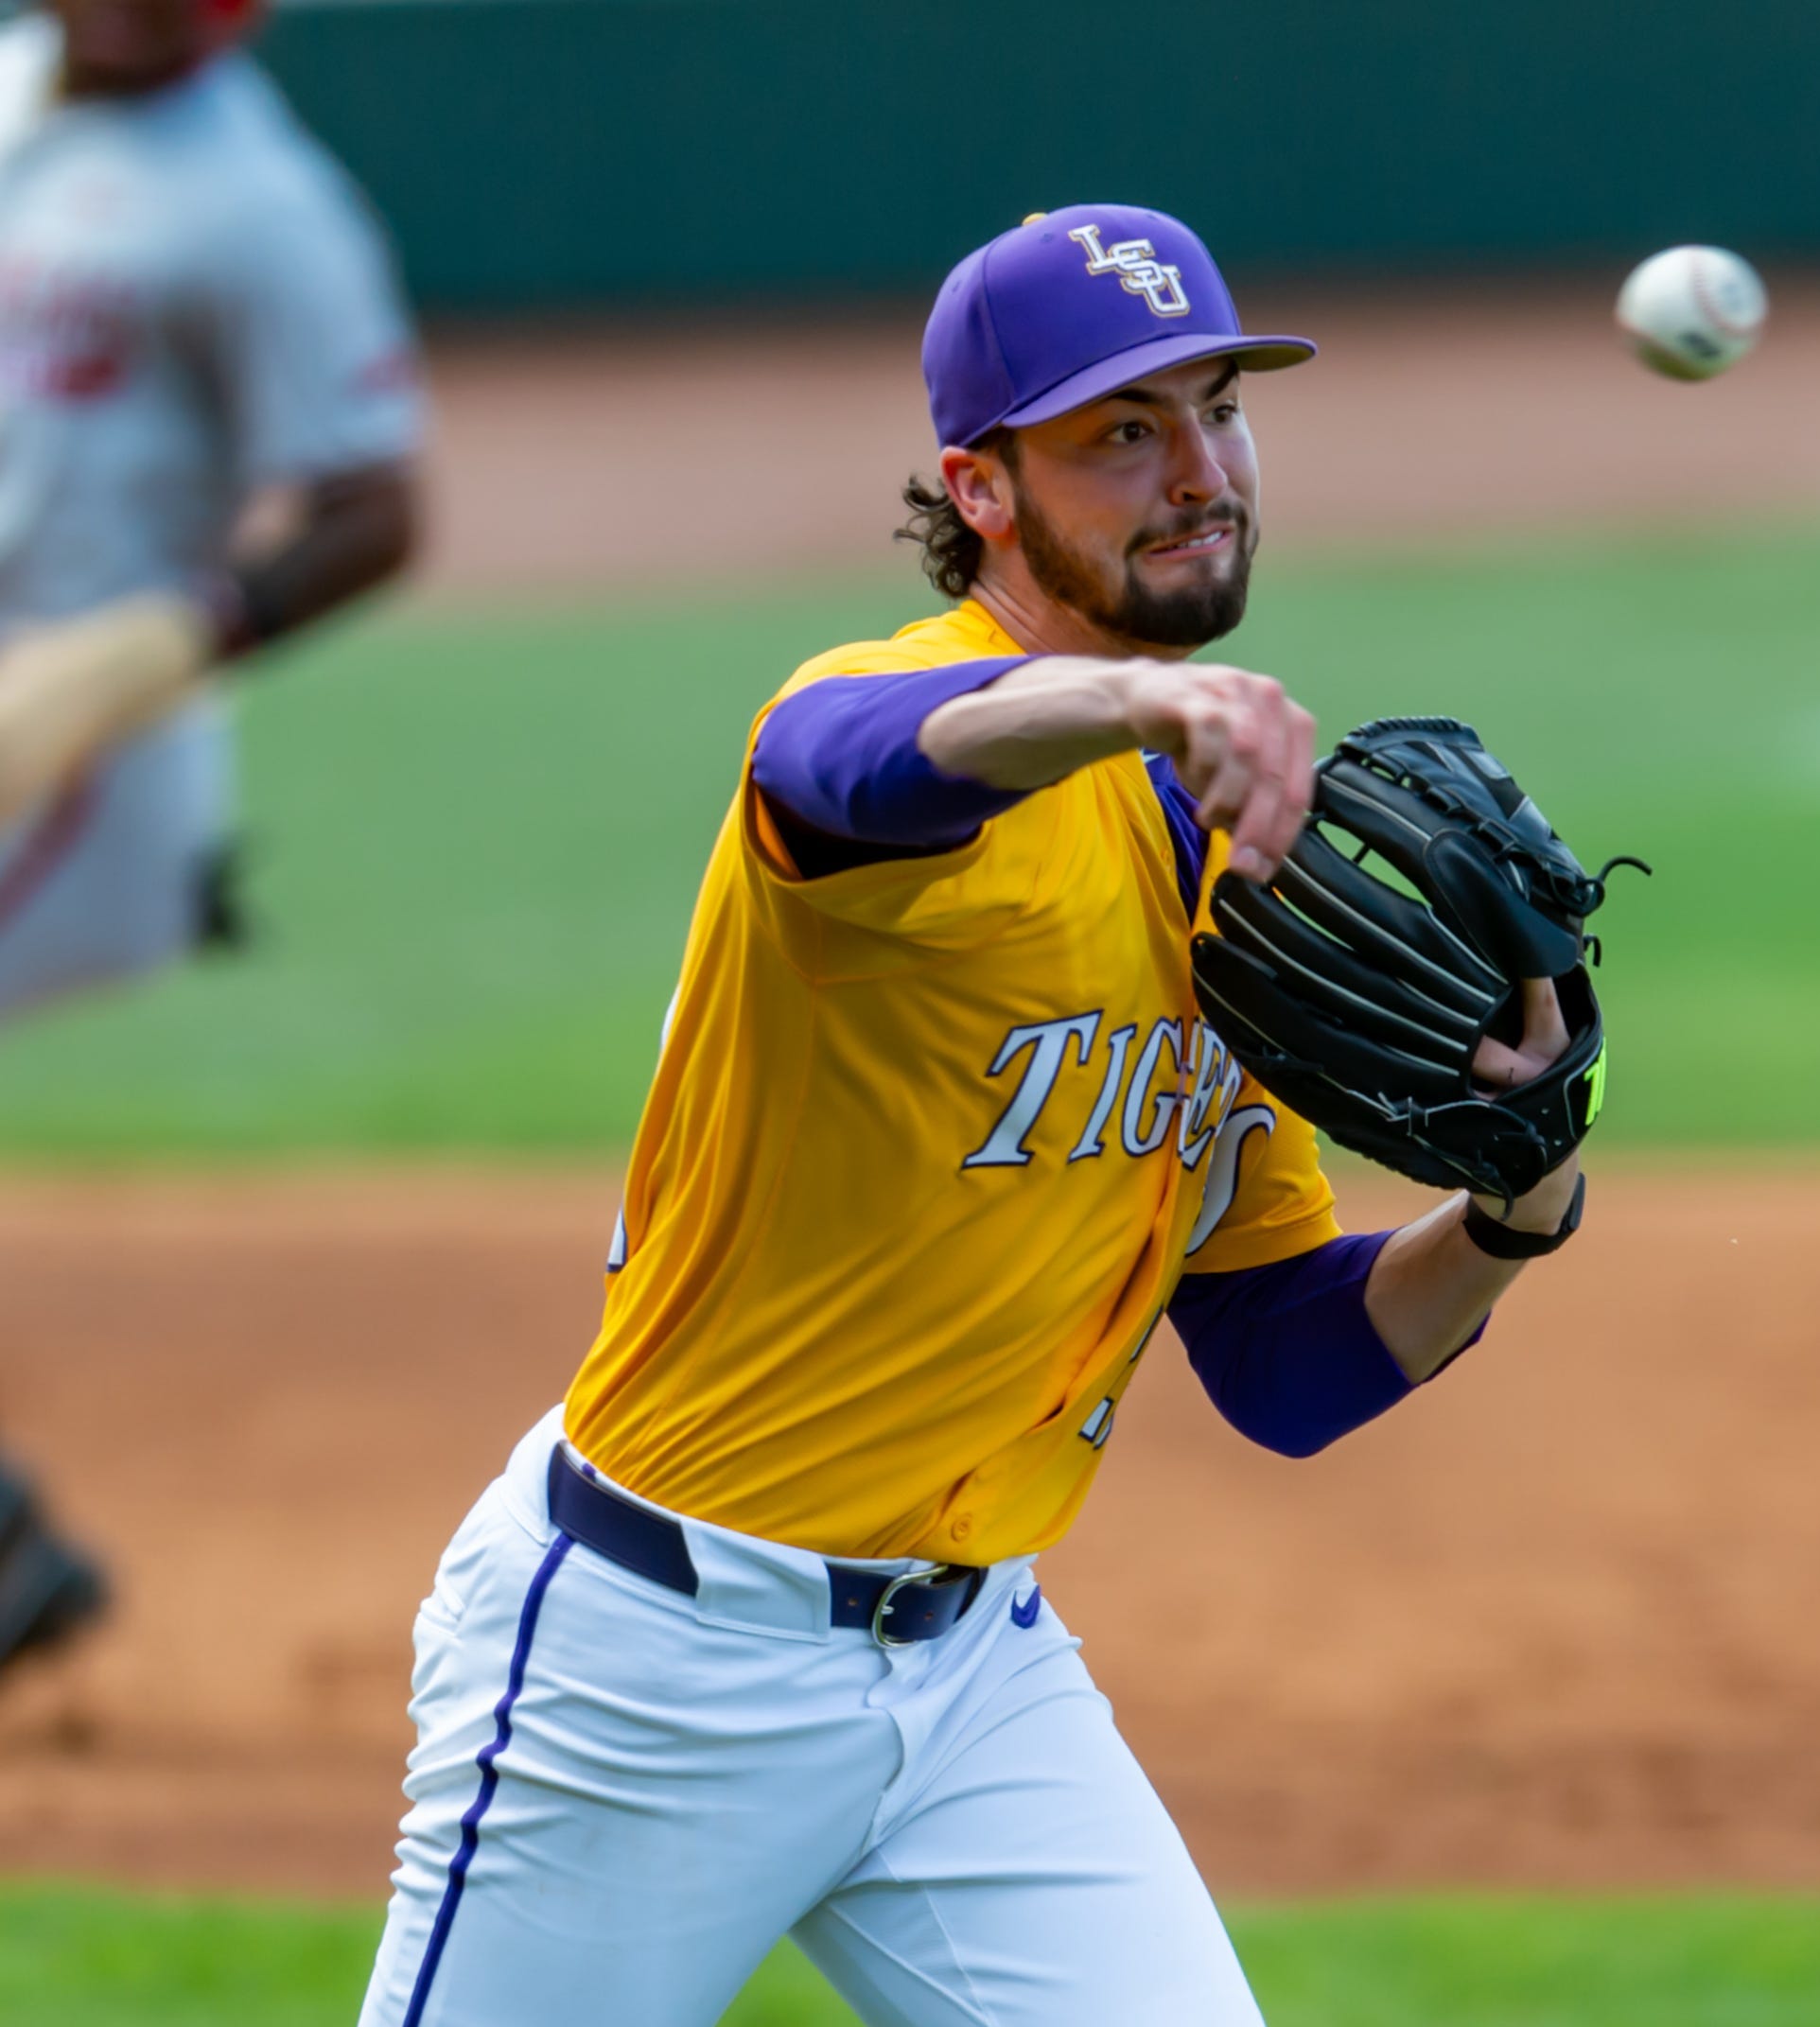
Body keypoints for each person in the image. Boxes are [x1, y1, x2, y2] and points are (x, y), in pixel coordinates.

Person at [359, 203, 1586, 2027]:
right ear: (983, 488)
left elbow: (1278, 1362)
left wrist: (1510, 1216)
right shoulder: (889, 730)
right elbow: (838, 769)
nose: (1202, 474)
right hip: (652, 1670)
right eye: (1123, 435)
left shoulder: (1241, 876)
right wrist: (1128, 697)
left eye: (1220, 414)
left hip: (976, 1682)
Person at [0, 0, 423, 1683]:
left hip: (75, 751)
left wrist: (162, 642)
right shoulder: (17, 89)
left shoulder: (260, 203)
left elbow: (378, 510)